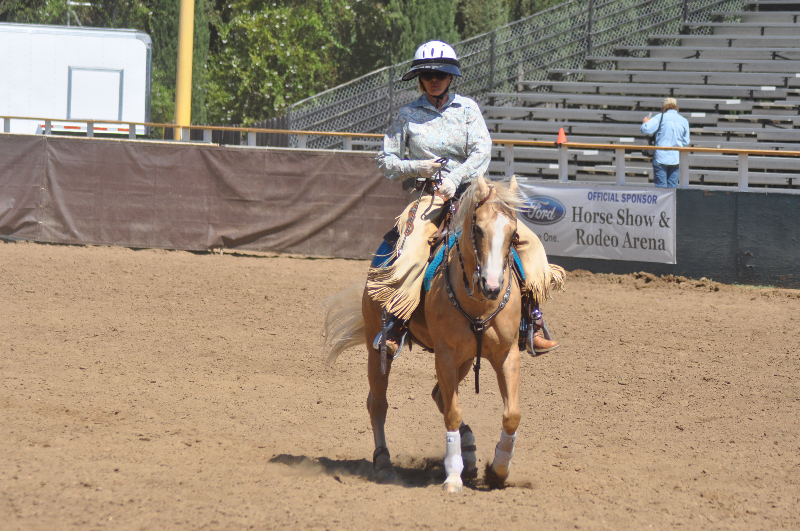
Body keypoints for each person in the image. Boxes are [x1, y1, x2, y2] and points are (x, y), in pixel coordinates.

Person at [369, 40, 564, 356]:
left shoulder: (468, 109)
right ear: (419, 78)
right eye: (428, 74)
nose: (435, 79)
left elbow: (481, 151)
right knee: (412, 248)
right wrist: (419, 167)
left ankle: (533, 320)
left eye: (441, 74)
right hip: (429, 196)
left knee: (528, 242)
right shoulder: (406, 115)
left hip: (476, 194)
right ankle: (396, 323)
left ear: (451, 77)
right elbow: (386, 161)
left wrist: (456, 178)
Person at [641, 97, 690, 188]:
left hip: (661, 156)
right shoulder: (684, 120)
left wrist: (645, 122)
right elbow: (686, 142)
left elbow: (645, 129)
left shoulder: (660, 117)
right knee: (673, 187)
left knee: (661, 188)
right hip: (675, 158)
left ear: (664, 107)